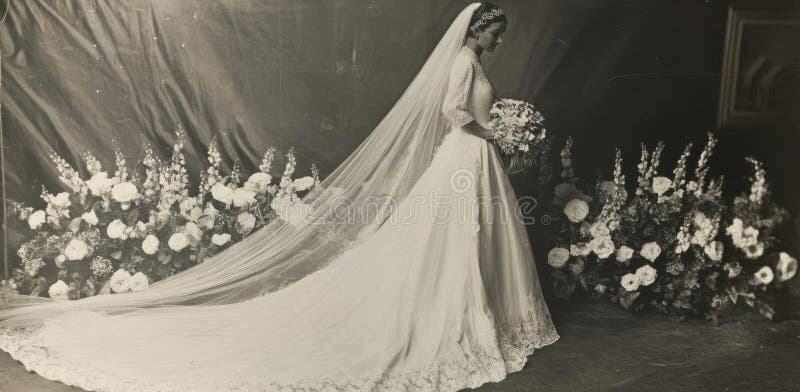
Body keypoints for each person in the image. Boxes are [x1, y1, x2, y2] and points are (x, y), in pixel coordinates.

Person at [0, 3, 558, 391]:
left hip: (474, 160)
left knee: (475, 233)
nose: (499, 41)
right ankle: (461, 312)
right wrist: (497, 134)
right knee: (457, 236)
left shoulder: (473, 62)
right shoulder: (462, 62)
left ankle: (490, 310)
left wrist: (500, 135)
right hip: (468, 154)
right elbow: (452, 113)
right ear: (478, 29)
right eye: (496, 33)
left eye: (500, 35)